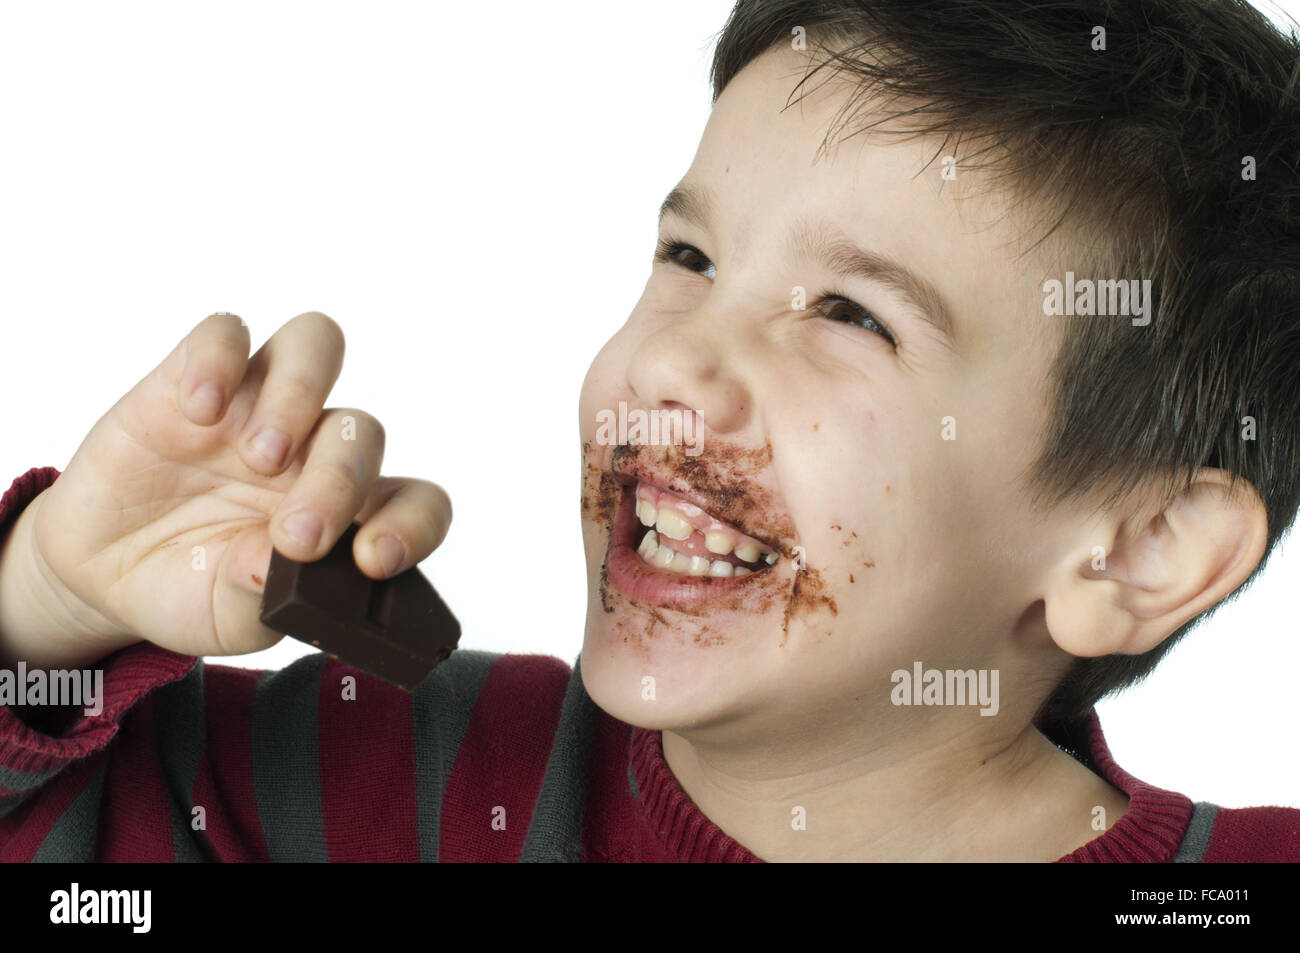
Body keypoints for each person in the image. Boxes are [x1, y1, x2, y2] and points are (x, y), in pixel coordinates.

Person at [2, 0, 1298, 861]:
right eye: (690, 254)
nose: (673, 355)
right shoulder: (386, 773)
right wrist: (46, 609)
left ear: (1137, 547)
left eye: (850, 312)